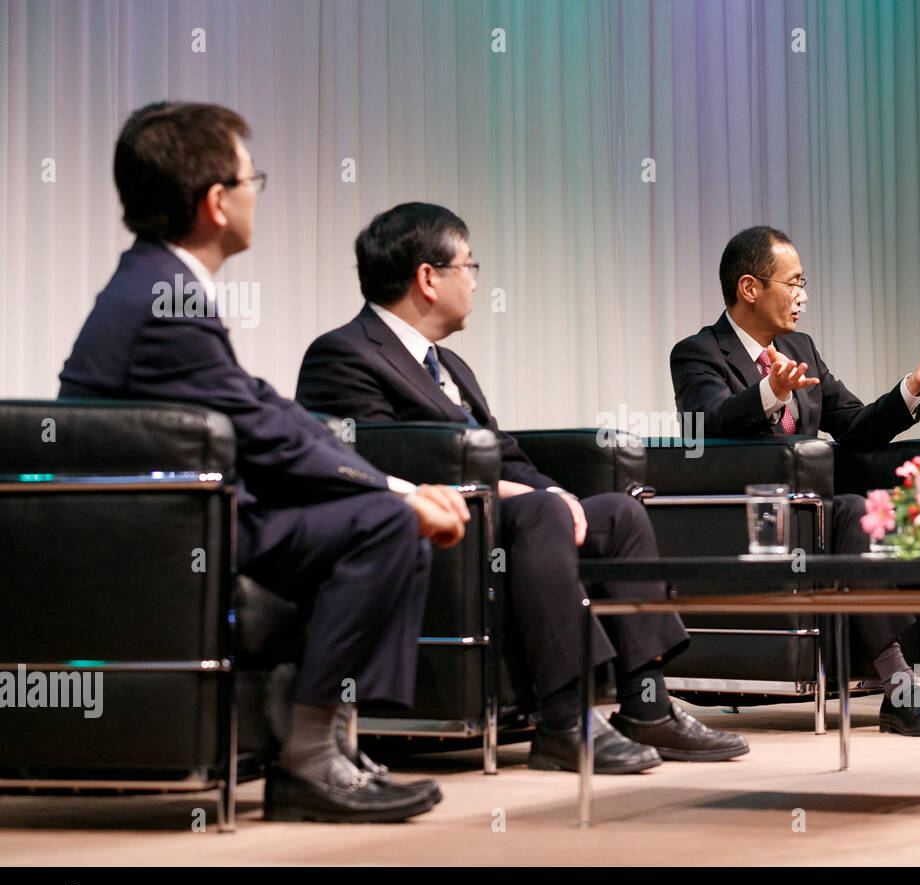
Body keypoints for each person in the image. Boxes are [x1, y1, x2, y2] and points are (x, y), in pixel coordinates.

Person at [58, 102, 469, 822]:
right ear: (217, 202)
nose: (256, 193)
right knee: (379, 524)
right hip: (162, 530)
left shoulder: (163, 282)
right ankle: (310, 760)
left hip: (184, 514)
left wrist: (396, 484)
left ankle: (332, 741)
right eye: (254, 179)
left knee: (380, 515)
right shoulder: (164, 300)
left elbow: (262, 407)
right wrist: (395, 498)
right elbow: (263, 434)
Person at [296, 202, 750, 772]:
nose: (476, 282)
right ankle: (565, 721)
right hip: (431, 530)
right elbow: (381, 461)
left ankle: (647, 707)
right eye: (469, 266)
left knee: (616, 513)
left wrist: (559, 494)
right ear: (428, 278)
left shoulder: (451, 365)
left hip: (492, 519)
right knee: (540, 515)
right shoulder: (344, 354)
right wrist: (525, 498)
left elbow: (505, 454)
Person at [670, 225, 920, 732]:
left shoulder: (799, 345)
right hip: (758, 516)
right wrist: (768, 393)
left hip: (821, 510)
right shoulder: (698, 352)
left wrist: (912, 386)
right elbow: (710, 421)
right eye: (794, 283)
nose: (803, 297)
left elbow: (853, 425)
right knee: (848, 506)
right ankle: (898, 688)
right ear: (749, 287)